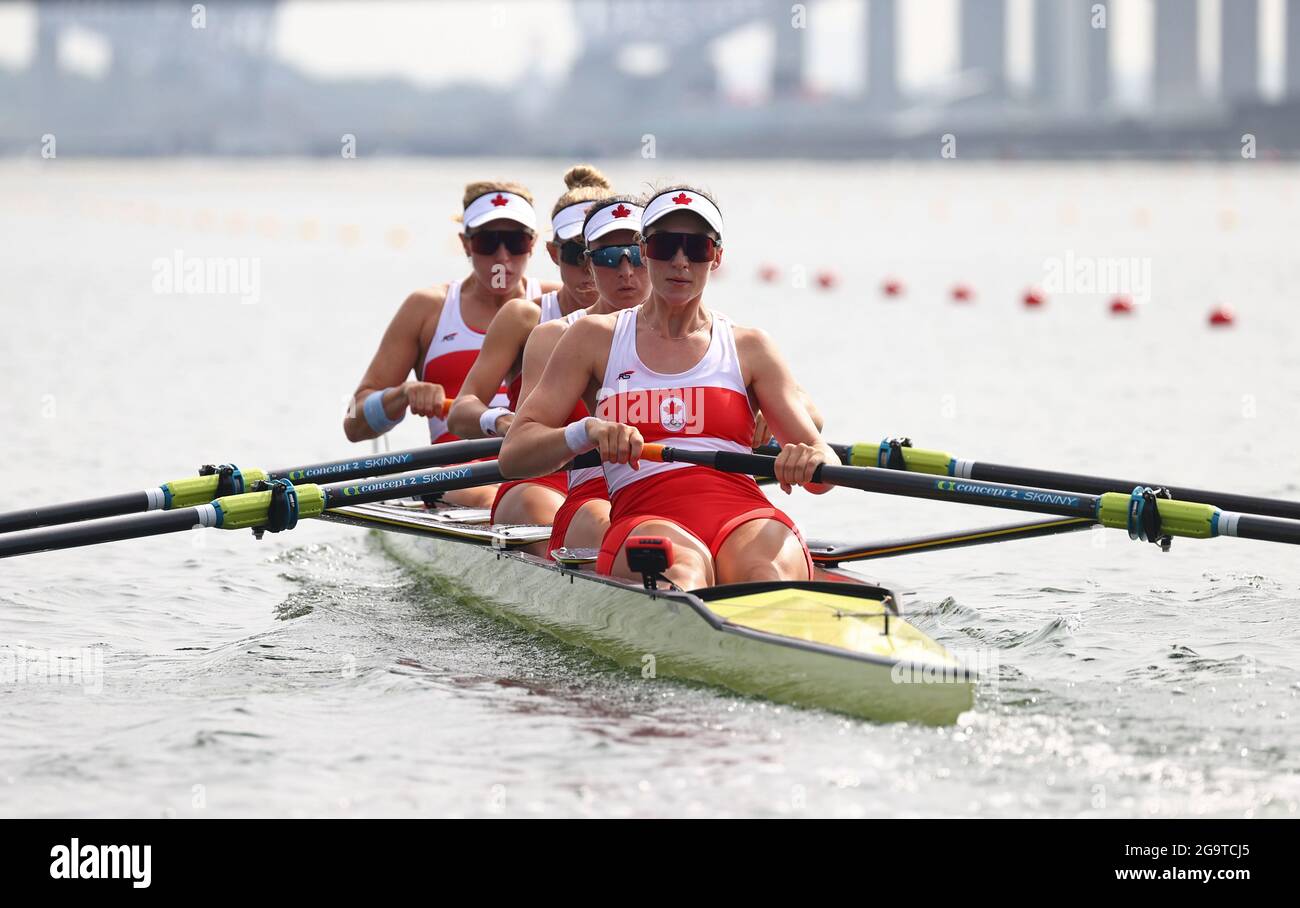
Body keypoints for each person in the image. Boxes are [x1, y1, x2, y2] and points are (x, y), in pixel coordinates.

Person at [500, 186, 835, 590]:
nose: (680, 261)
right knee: (683, 574)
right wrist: (587, 430)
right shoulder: (592, 337)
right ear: (644, 251)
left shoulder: (751, 346)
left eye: (696, 248)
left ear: (717, 256)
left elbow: (823, 470)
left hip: (743, 513)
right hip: (647, 515)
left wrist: (806, 458)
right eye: (665, 246)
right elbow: (515, 455)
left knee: (764, 576)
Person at [343, 179, 559, 507]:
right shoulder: (427, 308)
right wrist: (400, 396)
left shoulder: (558, 302)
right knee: (496, 499)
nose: (502, 257)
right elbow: (355, 424)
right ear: (466, 244)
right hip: (459, 476)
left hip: (545, 469)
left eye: (515, 241)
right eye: (488, 242)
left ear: (533, 244)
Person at [444, 169, 630, 526]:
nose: (591, 269)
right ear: (553, 252)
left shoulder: (661, 328)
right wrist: (501, 421)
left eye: (617, 253)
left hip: (624, 476)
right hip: (545, 476)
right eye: (578, 253)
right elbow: (460, 412)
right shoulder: (527, 319)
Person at [508, 196, 652, 548]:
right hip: (591, 495)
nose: (625, 271)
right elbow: (518, 454)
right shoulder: (554, 336)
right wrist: (584, 432)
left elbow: (808, 414)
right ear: (588, 263)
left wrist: (763, 419)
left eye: (635, 255)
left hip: (676, 492)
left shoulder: (705, 332)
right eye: (607, 257)